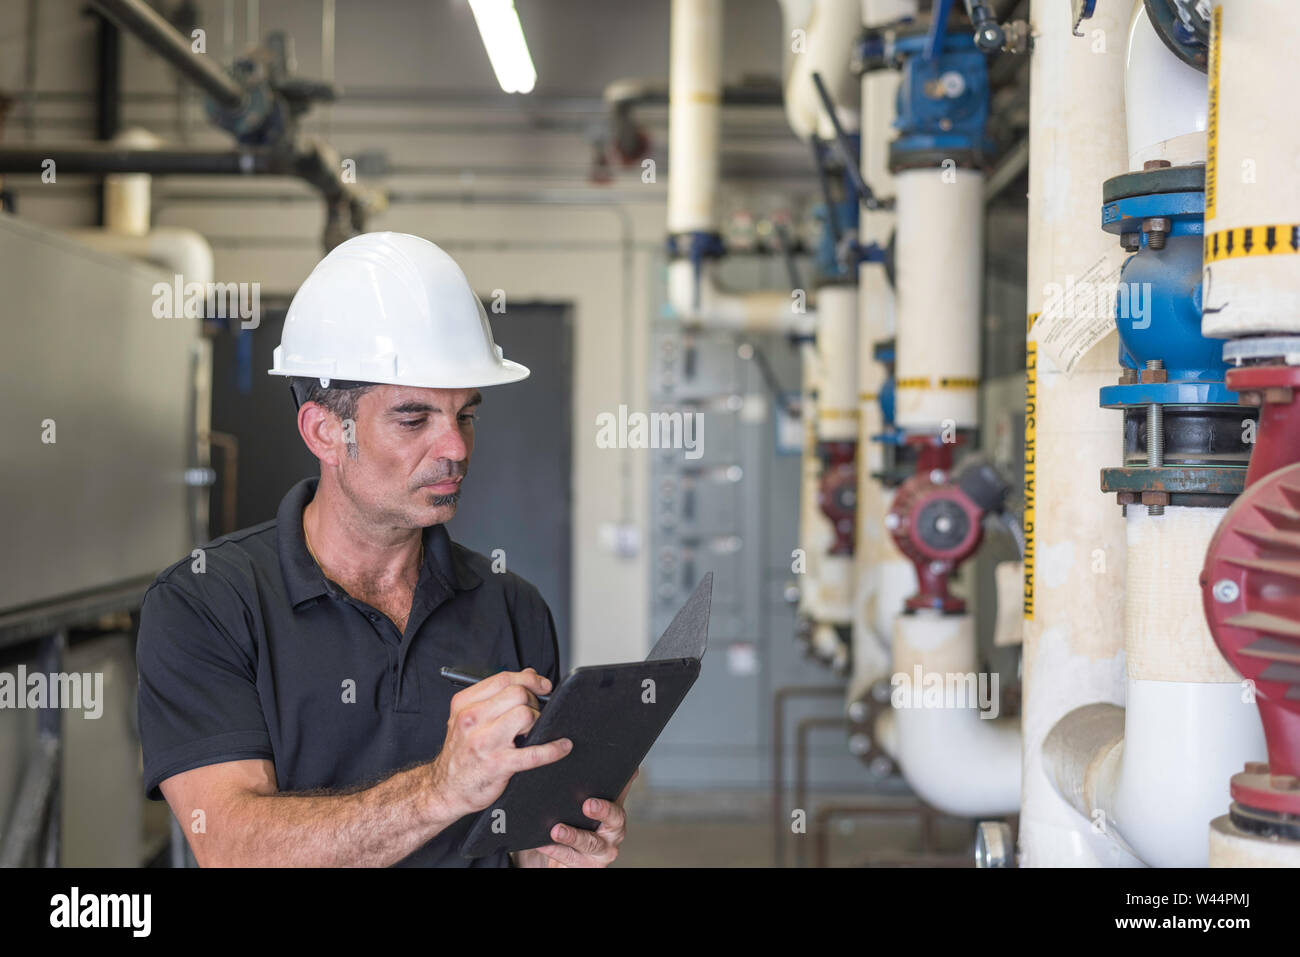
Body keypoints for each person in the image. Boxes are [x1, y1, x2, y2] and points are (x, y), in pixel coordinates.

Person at [136, 232, 629, 867]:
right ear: (324, 430)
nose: (455, 449)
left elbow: (520, 839)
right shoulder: (205, 605)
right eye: (414, 419)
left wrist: (561, 844)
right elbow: (235, 849)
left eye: (466, 415)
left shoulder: (511, 605)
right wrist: (441, 789)